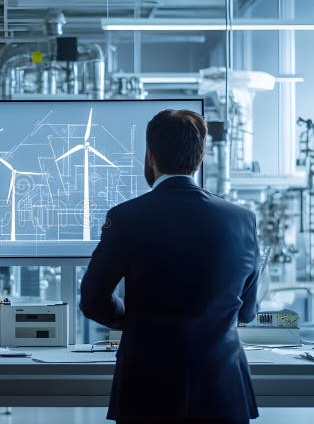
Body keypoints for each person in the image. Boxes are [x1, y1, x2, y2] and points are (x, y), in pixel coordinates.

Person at [79, 110, 259, 424]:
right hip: (221, 388)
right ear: (200, 157)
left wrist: (132, 320)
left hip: (148, 387)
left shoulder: (126, 217)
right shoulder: (241, 219)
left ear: (150, 155)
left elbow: (93, 300)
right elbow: (246, 311)